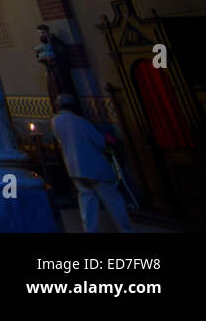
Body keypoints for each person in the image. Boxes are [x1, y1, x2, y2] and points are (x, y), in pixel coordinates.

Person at [50, 94, 134, 233]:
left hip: (74, 167)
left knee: (87, 201)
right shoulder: (81, 122)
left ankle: (90, 230)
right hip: (94, 168)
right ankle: (126, 230)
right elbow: (100, 143)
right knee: (114, 201)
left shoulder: (56, 121)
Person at [34, 24, 77, 106]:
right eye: (39, 33)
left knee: (63, 90)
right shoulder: (42, 45)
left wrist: (54, 58)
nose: (41, 35)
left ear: (48, 32)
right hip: (51, 72)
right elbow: (39, 56)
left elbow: (64, 55)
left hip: (60, 72)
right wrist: (41, 57)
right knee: (53, 92)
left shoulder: (56, 42)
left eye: (42, 33)